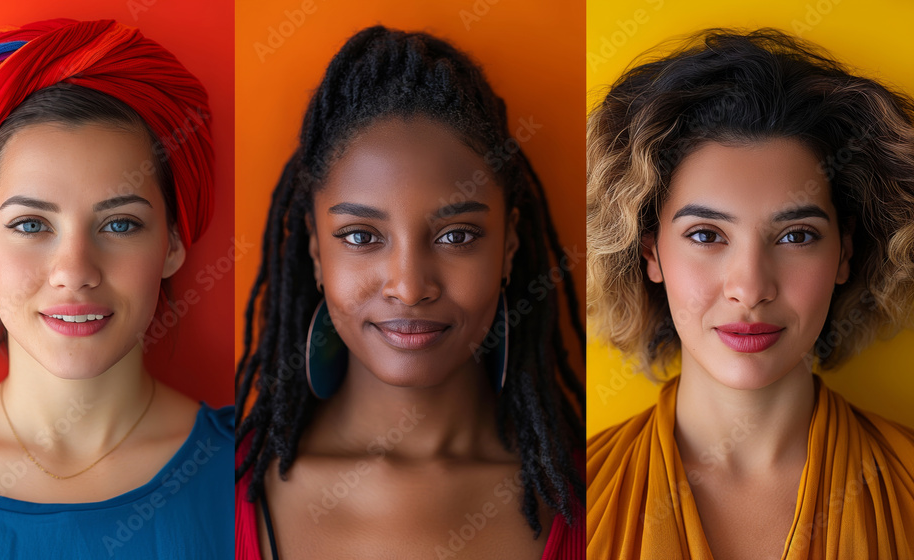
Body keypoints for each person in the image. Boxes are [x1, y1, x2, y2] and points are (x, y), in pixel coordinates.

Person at [234, 26, 584, 559]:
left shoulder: (595, 499)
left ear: (509, 245)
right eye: (360, 236)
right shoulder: (224, 492)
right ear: (314, 248)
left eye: (456, 236)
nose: (409, 286)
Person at [586, 28, 914, 559]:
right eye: (706, 236)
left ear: (845, 254)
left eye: (796, 236)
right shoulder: (572, 501)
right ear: (650, 253)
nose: (750, 288)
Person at [0, 19, 232, 559]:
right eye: (31, 225)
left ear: (173, 246)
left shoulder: (253, 478)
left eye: (120, 224)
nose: (75, 271)